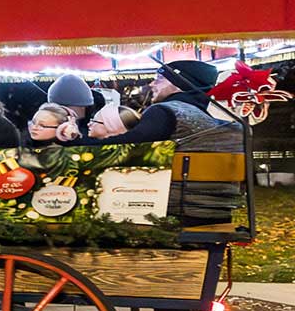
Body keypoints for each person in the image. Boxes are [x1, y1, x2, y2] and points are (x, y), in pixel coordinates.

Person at [70, 60, 243, 223]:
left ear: (178, 83)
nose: (152, 84)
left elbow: (123, 147)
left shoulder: (167, 111)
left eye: (159, 79)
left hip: (175, 211)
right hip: (220, 212)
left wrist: (73, 142)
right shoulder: (226, 121)